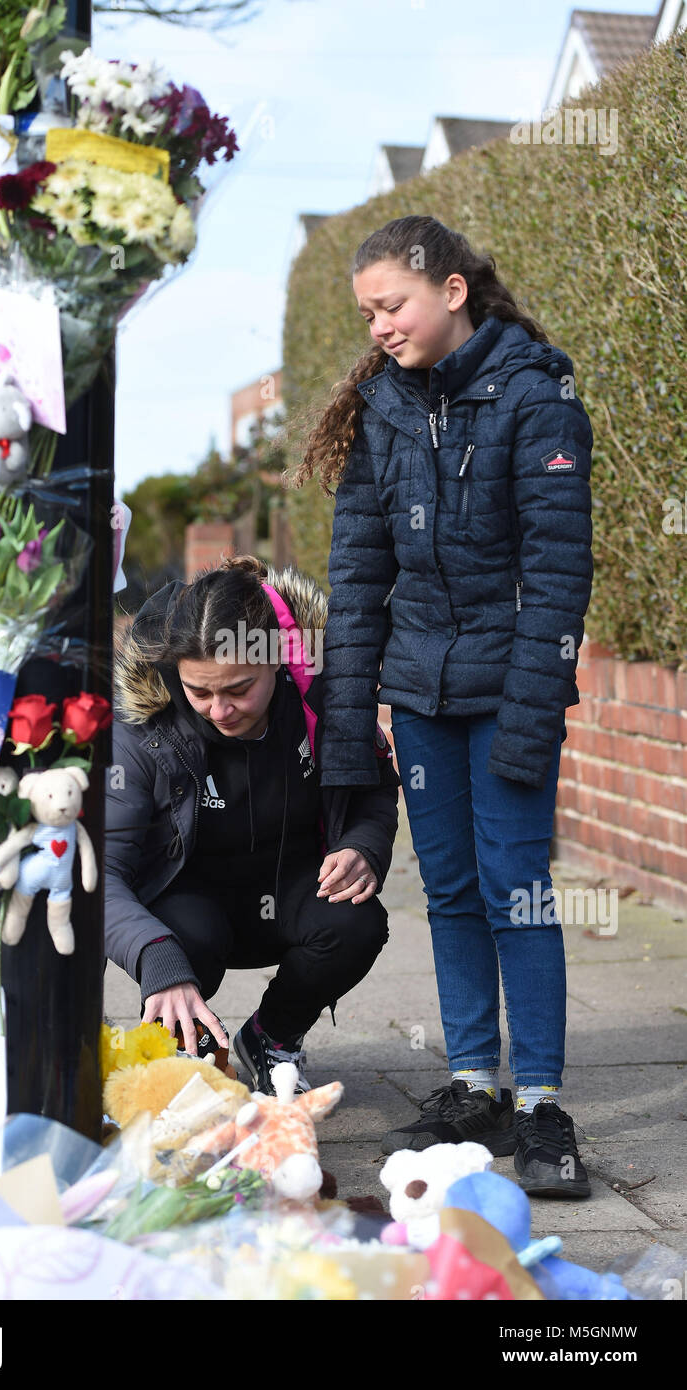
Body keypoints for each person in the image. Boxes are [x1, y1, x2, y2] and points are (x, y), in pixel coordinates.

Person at [294, 215, 593, 1197]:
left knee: (518, 886)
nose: (377, 325)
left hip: (508, 683)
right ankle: (471, 1081)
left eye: (390, 304)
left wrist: (531, 710)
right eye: (367, 311)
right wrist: (349, 723)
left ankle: (541, 1099)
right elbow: (358, 567)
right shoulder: (383, 406)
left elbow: (556, 573)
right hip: (418, 692)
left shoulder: (535, 394)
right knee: (452, 888)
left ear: (451, 290)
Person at [105, 555, 399, 1094]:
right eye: (200, 691)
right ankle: (183, 1049)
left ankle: (271, 1038)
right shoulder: (142, 728)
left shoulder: (325, 696)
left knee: (356, 921)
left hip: (293, 890)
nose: (219, 710)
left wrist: (364, 846)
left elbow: (376, 789)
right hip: (187, 906)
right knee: (182, 940)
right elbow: (100, 874)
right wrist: (156, 956)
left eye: (238, 688)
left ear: (279, 661)